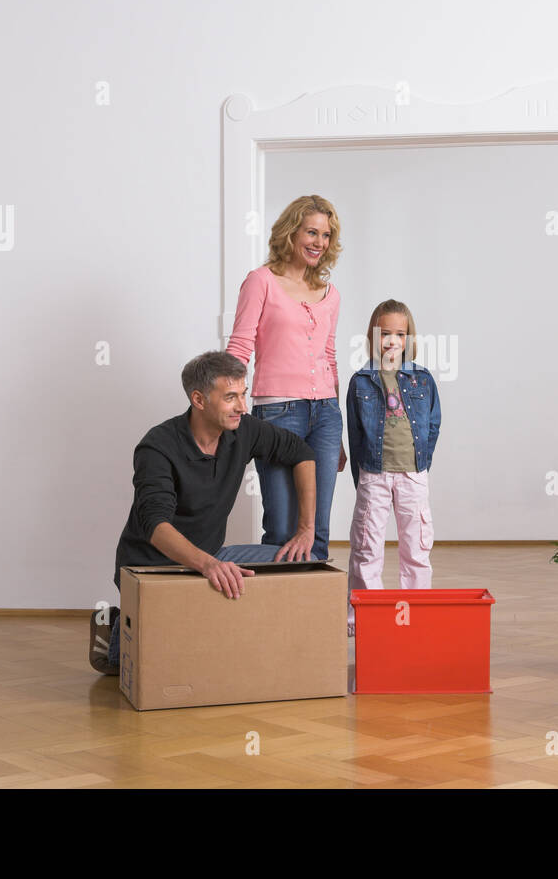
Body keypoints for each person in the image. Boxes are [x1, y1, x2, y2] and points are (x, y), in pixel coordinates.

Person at [88, 351, 317, 675]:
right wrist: (210, 565)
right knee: (141, 667)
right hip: (151, 568)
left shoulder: (244, 429)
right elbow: (155, 525)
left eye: (243, 394)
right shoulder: (157, 447)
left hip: (211, 556)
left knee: (300, 561)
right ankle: (115, 629)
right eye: (230, 397)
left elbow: (301, 453)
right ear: (198, 399)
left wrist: (305, 529)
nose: (242, 406)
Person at [225, 195, 347, 563]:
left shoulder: (331, 294)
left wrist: (337, 429)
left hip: (325, 414)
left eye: (326, 235)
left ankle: (314, 617)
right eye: (311, 232)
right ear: (291, 232)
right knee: (280, 527)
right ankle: (278, 615)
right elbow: (240, 346)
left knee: (318, 529)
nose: (319, 243)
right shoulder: (260, 281)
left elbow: (330, 358)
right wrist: (229, 405)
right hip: (277, 413)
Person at [344, 299, 442, 634]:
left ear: (408, 338)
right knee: (366, 547)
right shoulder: (361, 381)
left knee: (416, 547)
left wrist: (421, 463)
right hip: (374, 473)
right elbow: (355, 435)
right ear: (373, 335)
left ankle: (414, 614)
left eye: (399, 334)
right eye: (385, 333)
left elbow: (433, 424)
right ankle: (362, 620)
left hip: (413, 474)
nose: (392, 341)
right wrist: (364, 478)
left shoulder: (423, 380)